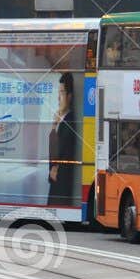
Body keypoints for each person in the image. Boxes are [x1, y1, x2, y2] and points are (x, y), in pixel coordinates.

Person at [48, 72, 79, 209]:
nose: (58, 98)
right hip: (58, 178)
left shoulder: (69, 120)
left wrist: (54, 126)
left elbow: (59, 149)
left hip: (61, 180)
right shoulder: (63, 119)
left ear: (69, 96)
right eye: (58, 93)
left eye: (62, 93)